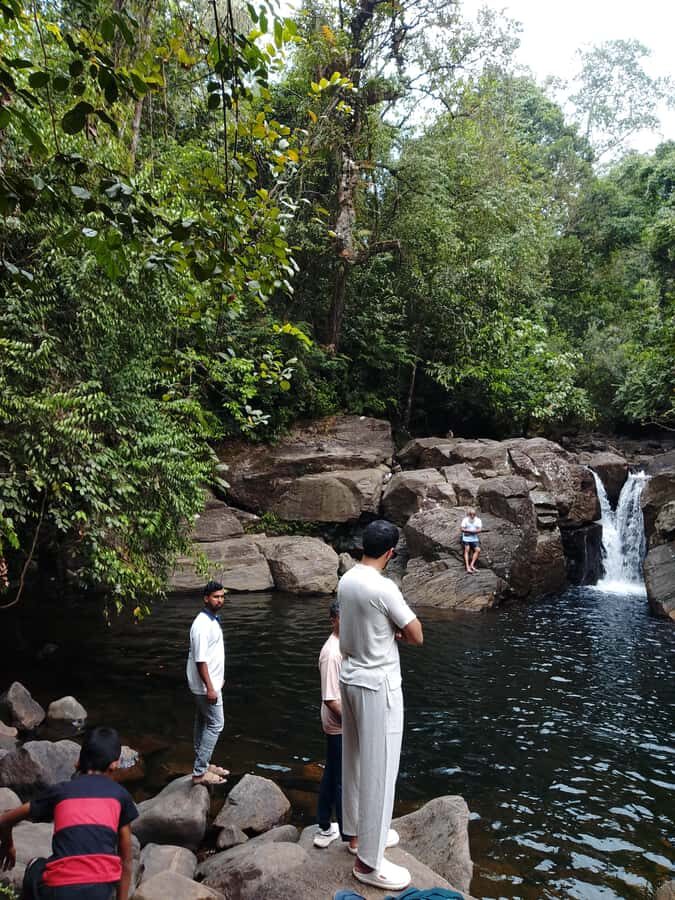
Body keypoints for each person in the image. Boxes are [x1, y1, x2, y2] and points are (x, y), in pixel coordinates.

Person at [339, 520, 423, 892]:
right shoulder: (384, 587)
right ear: (390, 553)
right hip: (378, 685)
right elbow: (417, 634)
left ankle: (356, 835)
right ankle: (368, 863)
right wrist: (395, 632)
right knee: (381, 769)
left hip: (351, 676)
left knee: (355, 760)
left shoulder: (347, 579)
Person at [0, 726, 137, 900]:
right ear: (114, 765)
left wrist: (8, 844)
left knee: (35, 865)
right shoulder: (120, 796)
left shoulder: (61, 792)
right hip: (100, 892)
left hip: (59, 892)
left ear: (78, 762)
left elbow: (4, 820)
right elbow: (126, 861)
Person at [186, 580, 230, 785]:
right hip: (206, 687)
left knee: (203, 720)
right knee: (216, 723)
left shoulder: (211, 620)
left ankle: (202, 760)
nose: (220, 600)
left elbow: (211, 655)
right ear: (206, 598)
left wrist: (218, 678)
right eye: (216, 597)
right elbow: (200, 660)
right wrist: (211, 687)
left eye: (222, 596)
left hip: (208, 684)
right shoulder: (202, 625)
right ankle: (199, 772)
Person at [313, 599, 344, 848]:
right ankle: (347, 831)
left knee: (333, 772)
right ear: (333, 620)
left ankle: (324, 825)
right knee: (342, 778)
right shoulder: (332, 654)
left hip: (340, 722)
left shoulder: (344, 645)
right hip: (339, 723)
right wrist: (356, 722)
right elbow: (331, 699)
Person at [460, 508, 482, 574]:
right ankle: (467, 567)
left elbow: (480, 529)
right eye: (471, 514)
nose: (472, 516)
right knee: (467, 549)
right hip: (466, 538)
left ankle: (472, 565)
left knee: (478, 550)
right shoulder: (465, 520)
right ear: (468, 514)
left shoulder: (478, 520)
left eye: (473, 514)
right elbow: (461, 528)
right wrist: (469, 531)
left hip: (474, 538)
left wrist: (473, 532)